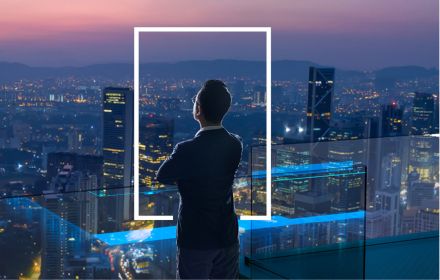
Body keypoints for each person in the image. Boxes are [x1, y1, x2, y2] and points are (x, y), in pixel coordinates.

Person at [156, 80, 243, 279]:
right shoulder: (235, 144)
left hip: (196, 238)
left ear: (198, 110)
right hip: (227, 234)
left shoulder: (187, 149)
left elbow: (163, 175)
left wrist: (188, 176)